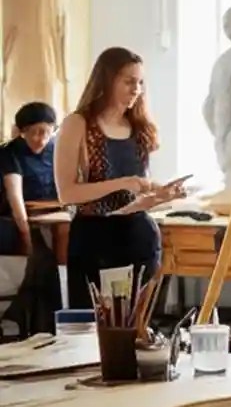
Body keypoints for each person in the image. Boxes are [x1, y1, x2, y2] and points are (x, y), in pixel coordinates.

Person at [54, 48, 183, 309]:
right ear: (107, 80)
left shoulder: (139, 127)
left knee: (134, 331)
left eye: (140, 82)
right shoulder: (77, 124)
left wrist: (161, 194)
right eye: (129, 81)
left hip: (138, 237)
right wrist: (123, 183)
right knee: (93, 332)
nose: (136, 89)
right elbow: (67, 193)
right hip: (95, 240)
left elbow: (137, 190)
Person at [0, 102, 59, 255]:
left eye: (47, 132)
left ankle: (64, 274)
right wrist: (26, 236)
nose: (42, 139)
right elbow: (15, 196)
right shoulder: (10, 152)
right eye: (35, 132)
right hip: (20, 212)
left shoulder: (56, 148)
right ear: (22, 132)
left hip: (52, 207)